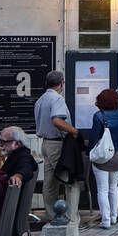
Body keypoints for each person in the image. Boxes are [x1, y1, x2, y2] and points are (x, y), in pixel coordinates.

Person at [33, 71, 80, 222]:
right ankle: (71, 219)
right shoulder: (57, 98)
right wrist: (73, 131)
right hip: (57, 144)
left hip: (45, 143)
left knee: (49, 183)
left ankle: (53, 216)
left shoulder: (41, 100)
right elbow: (57, 120)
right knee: (70, 182)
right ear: (61, 84)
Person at [89, 88, 118, 230]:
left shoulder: (99, 116)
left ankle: (105, 220)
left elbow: (94, 137)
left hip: (103, 155)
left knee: (102, 189)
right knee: (114, 187)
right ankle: (114, 216)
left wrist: (89, 152)